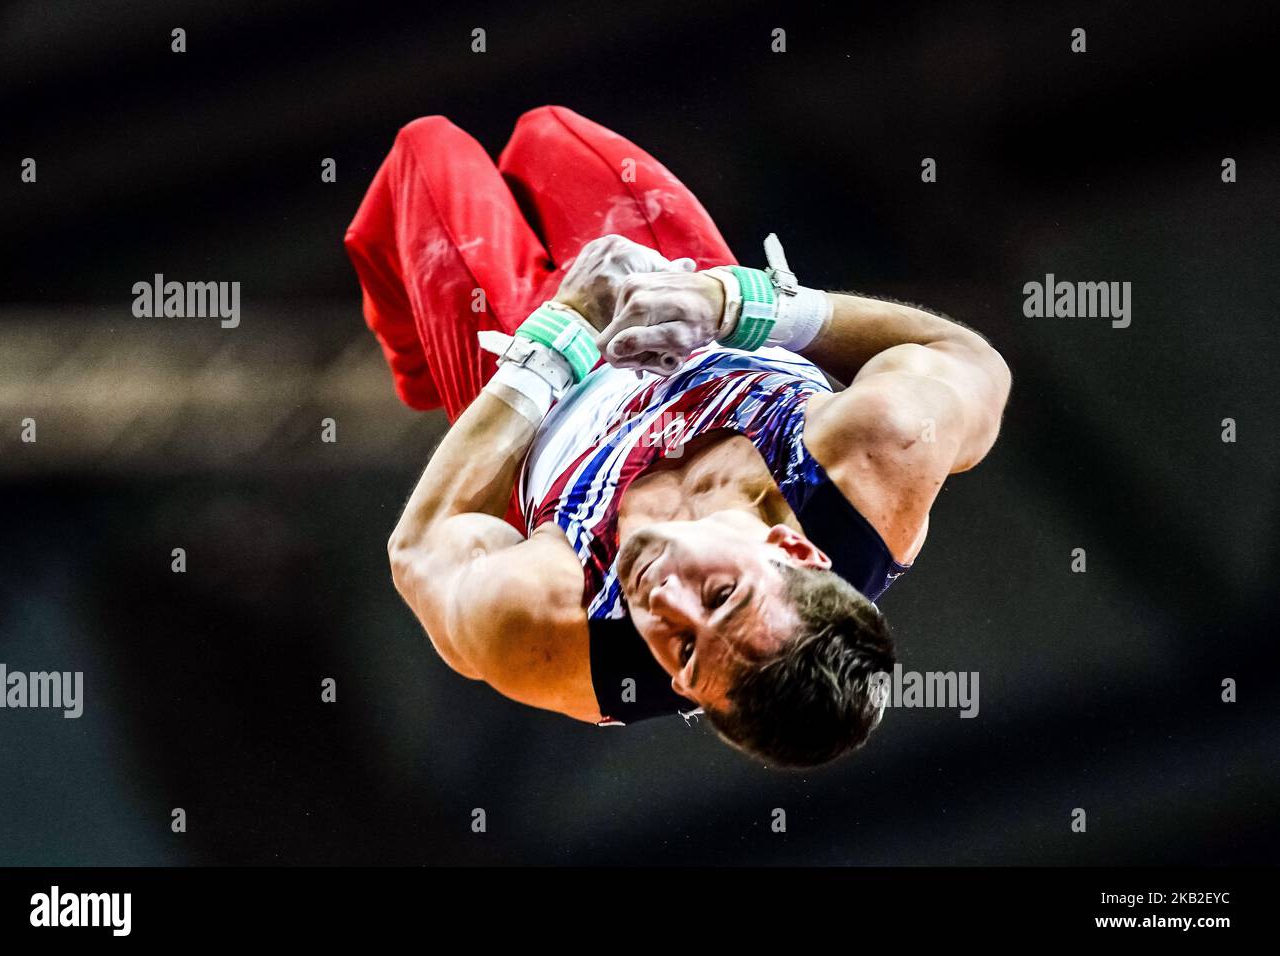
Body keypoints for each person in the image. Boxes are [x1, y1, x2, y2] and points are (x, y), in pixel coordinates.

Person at [345, 106, 1011, 767]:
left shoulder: (558, 630)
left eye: (685, 651)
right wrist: (740, 304)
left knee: (423, 148)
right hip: (675, 299)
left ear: (688, 689)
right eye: (721, 597)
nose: (662, 599)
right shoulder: (879, 456)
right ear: (793, 549)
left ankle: (419, 366)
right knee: (545, 134)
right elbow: (966, 357)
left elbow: (420, 552)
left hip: (527, 386)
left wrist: (555, 340)